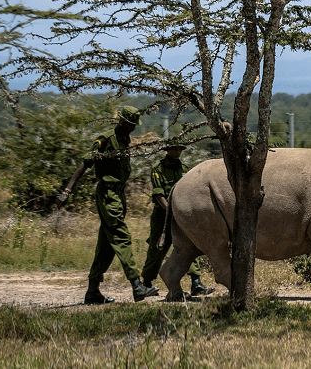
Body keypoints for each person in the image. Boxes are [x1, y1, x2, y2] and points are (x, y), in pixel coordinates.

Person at [57, 105, 160, 304]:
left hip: (118, 195)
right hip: (108, 194)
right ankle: (137, 285)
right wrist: (67, 191)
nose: (133, 129)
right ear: (122, 121)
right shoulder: (105, 139)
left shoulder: (125, 138)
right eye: (131, 124)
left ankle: (92, 291)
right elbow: (85, 163)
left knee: (107, 245)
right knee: (121, 237)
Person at [140, 143, 214, 298]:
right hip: (163, 214)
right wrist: (171, 211)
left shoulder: (185, 169)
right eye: (174, 149)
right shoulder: (158, 169)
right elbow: (159, 195)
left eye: (180, 149)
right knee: (158, 247)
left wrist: (182, 213)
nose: (178, 152)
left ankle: (196, 283)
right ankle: (146, 283)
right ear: (167, 150)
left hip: (182, 214)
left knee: (190, 244)